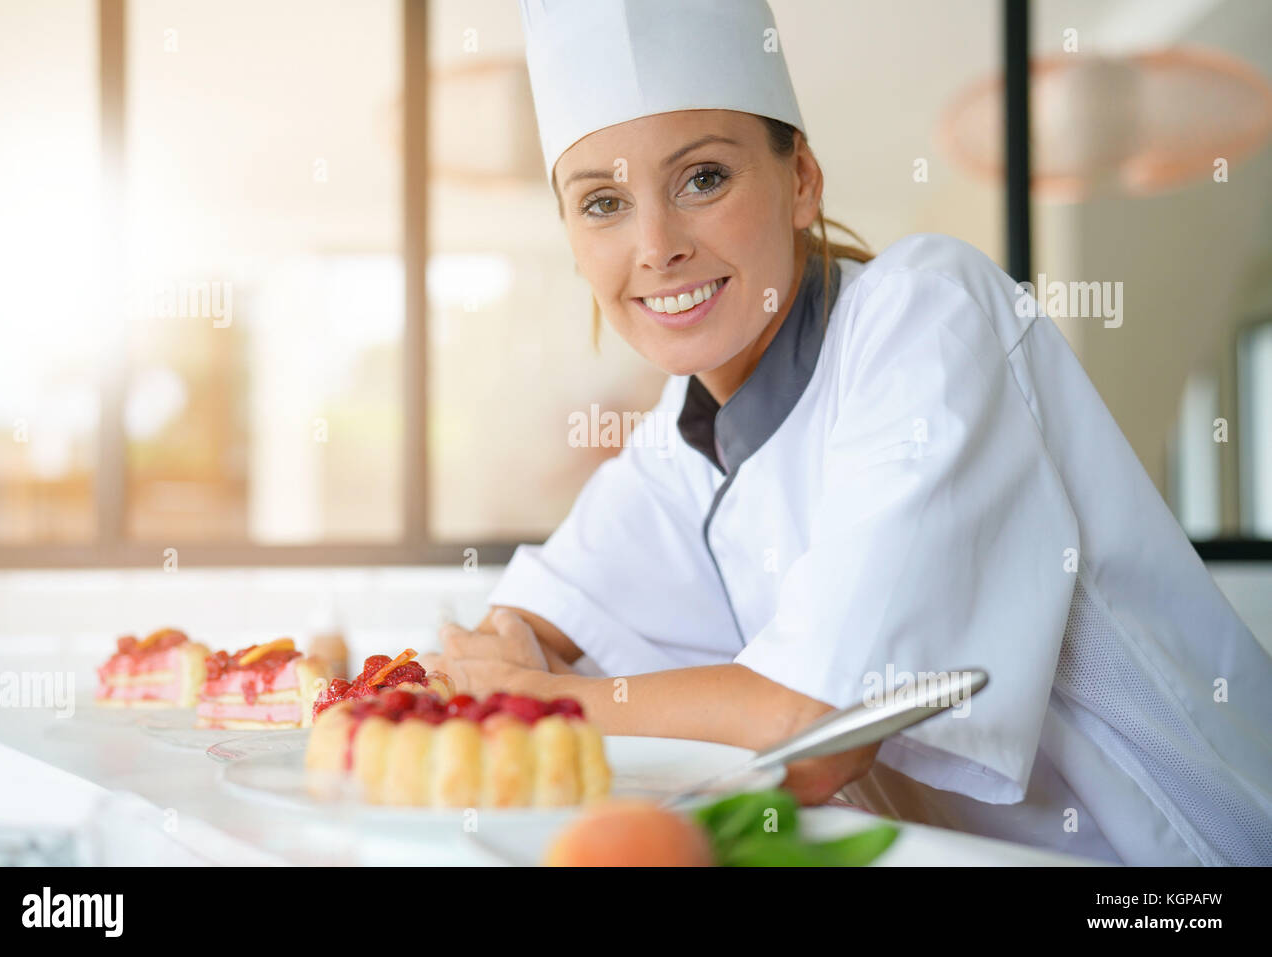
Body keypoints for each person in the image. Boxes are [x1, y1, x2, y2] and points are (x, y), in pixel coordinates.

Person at [419, 0, 1272, 865]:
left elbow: (816, 728)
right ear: (570, 239)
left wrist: (536, 697)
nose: (655, 245)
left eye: (703, 178)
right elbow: (502, 638)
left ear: (802, 182)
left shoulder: (925, 312)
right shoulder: (679, 445)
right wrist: (523, 678)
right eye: (602, 201)